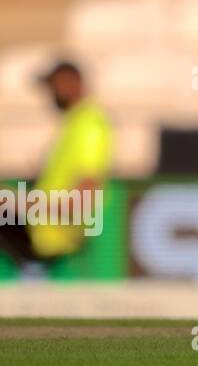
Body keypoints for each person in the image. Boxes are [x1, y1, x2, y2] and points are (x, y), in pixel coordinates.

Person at [0, 60, 114, 272]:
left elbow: (83, 202)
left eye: (54, 85)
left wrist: (19, 204)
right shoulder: (75, 123)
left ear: (71, 83)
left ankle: (33, 271)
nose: (51, 94)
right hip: (44, 234)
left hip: (55, 239)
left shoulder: (88, 124)